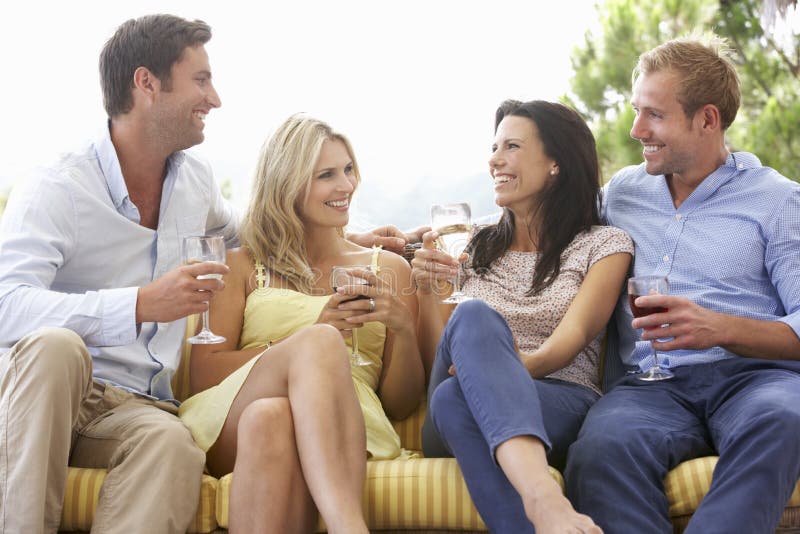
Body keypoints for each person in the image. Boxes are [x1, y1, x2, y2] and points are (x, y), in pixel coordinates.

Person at [0, 14, 237, 533]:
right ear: (146, 83)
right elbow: (5, 307)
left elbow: (253, 234)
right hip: (43, 393)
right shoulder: (57, 186)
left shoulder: (195, 181)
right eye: (201, 80)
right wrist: (137, 305)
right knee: (56, 347)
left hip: (133, 405)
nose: (214, 98)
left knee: (173, 444)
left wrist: (359, 240)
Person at [564, 36, 800, 533]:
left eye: (653, 114)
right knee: (600, 450)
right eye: (635, 111)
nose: (635, 130)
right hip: (650, 388)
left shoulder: (778, 202)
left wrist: (719, 328)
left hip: (755, 380)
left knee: (785, 418)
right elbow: (543, 229)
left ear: (707, 119)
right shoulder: (623, 193)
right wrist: (410, 243)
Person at [178, 113, 425, 532]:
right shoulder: (241, 265)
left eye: (348, 170)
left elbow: (400, 404)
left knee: (271, 419)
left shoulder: (389, 269)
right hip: (229, 414)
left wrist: (402, 328)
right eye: (326, 175)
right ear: (287, 184)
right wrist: (297, 347)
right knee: (319, 343)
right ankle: (349, 525)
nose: (345, 185)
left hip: (344, 421)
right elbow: (204, 374)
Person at [412, 99, 633, 533]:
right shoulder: (472, 245)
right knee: (473, 317)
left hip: (558, 401)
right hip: (458, 402)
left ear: (556, 162)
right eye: (494, 147)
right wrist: (425, 293)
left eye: (511, 146)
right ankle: (545, 500)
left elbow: (574, 338)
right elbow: (440, 354)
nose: (495, 160)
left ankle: (537, 511)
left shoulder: (605, 245)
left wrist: (501, 373)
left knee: (454, 399)